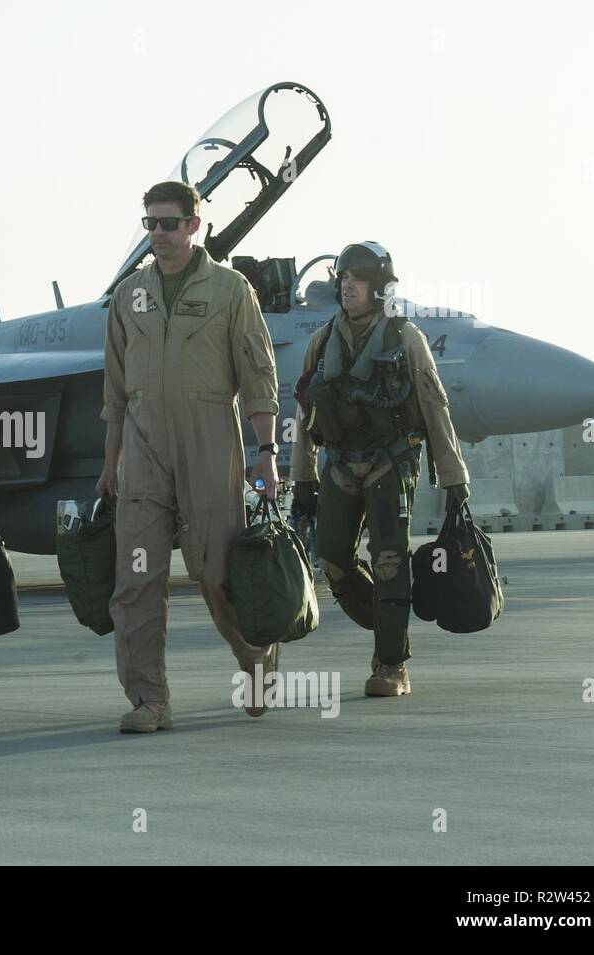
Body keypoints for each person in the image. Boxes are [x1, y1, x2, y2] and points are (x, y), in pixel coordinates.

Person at [97, 180, 282, 733]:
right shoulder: (129, 296)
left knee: (216, 571)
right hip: (143, 449)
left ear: (194, 226)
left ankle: (256, 661)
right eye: (150, 223)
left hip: (210, 444)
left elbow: (258, 377)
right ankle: (148, 700)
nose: (158, 233)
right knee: (135, 582)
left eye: (169, 223)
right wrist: (111, 464)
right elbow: (113, 391)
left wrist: (266, 454)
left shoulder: (231, 290)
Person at [289, 241, 470, 696]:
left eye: (359, 278)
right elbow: (304, 414)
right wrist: (303, 477)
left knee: (389, 562)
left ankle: (391, 665)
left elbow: (434, 406)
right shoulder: (322, 340)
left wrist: (454, 478)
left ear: (380, 286)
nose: (348, 285)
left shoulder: (405, 337)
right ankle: (389, 628)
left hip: (390, 462)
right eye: (344, 277)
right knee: (332, 561)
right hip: (339, 465)